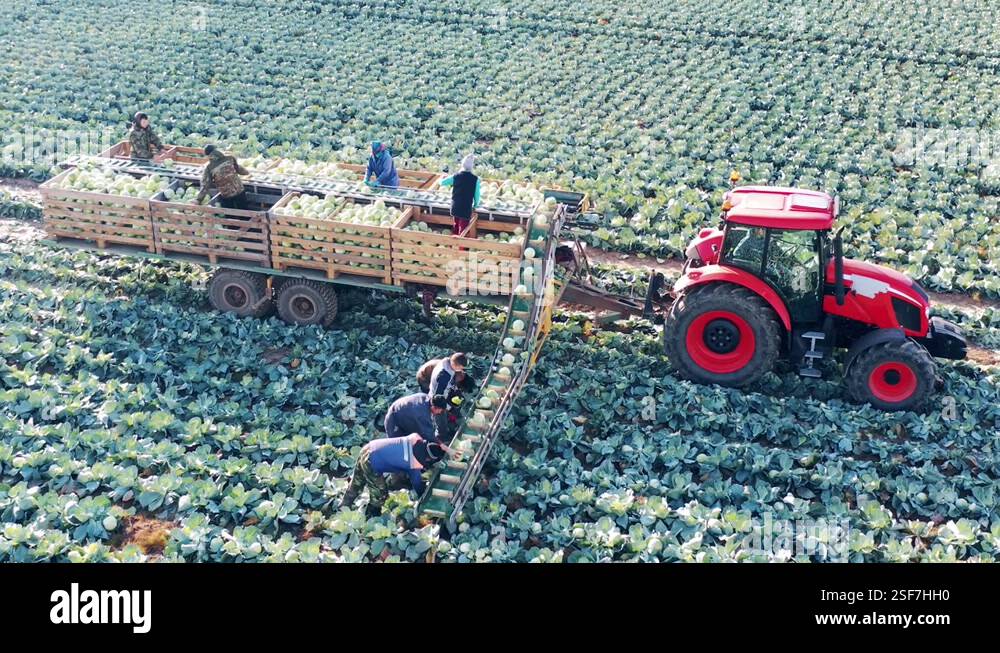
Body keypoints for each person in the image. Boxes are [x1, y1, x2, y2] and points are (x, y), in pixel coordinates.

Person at [338, 434, 455, 517]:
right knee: (380, 493)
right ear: (428, 458)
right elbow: (417, 483)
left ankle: (343, 505)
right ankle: (372, 515)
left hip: (369, 448)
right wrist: (423, 495)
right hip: (372, 462)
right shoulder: (414, 463)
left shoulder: (415, 439)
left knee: (358, 480)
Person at [196, 144, 250, 209]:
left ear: (208, 155)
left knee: (230, 216)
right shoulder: (230, 158)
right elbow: (239, 169)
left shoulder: (209, 167)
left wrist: (198, 199)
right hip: (239, 190)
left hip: (227, 195)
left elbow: (205, 184)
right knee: (244, 212)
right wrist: (247, 173)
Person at [439, 154, 481, 235]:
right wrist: (475, 205)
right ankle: (460, 246)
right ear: (472, 167)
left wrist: (441, 178)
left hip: (455, 207)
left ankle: (454, 244)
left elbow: (442, 183)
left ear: (462, 165)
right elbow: (477, 195)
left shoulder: (456, 176)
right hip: (466, 208)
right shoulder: (475, 179)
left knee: (456, 225)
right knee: (463, 229)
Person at [384, 392, 448, 444]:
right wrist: (443, 446)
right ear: (434, 407)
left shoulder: (426, 397)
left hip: (401, 411)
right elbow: (429, 435)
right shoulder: (422, 414)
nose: (440, 413)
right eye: (440, 411)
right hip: (394, 422)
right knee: (399, 445)